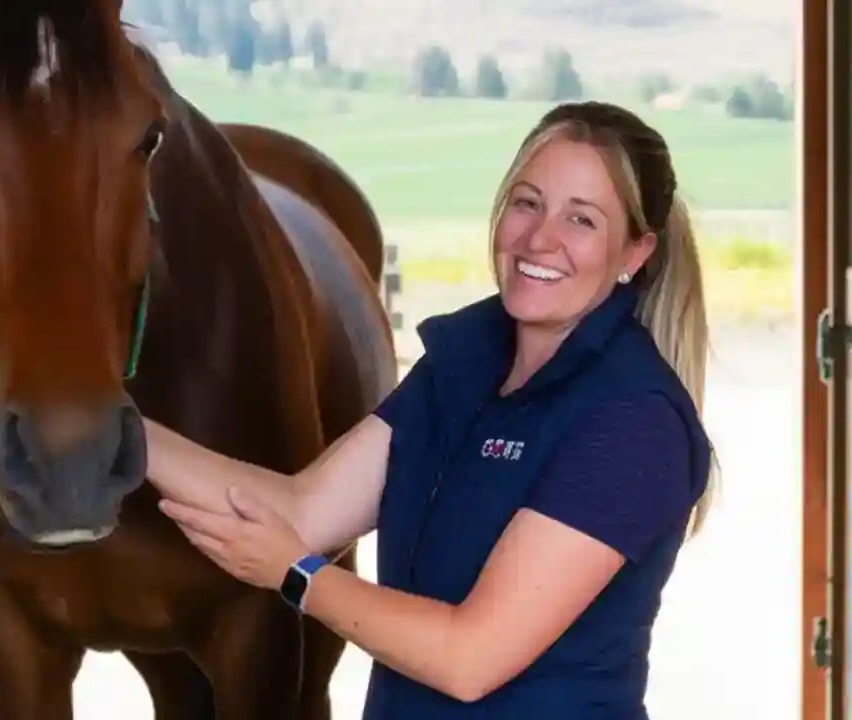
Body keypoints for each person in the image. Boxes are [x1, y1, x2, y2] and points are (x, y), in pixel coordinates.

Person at [141, 100, 716, 718]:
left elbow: (470, 659)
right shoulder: (462, 366)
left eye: (581, 219)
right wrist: (121, 433)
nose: (539, 238)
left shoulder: (633, 420)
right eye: (527, 203)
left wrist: (298, 575)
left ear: (634, 254)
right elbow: (300, 512)